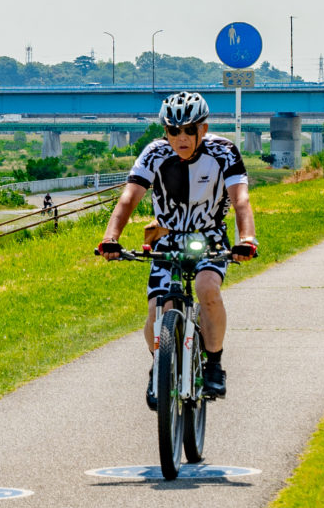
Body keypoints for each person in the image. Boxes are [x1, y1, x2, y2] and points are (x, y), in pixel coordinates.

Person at [98, 91, 258, 407]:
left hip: (209, 236)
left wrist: (247, 239)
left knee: (206, 288)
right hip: (167, 238)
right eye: (174, 130)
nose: (181, 137)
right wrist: (110, 238)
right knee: (158, 308)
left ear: (203, 128)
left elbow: (240, 199)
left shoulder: (224, 151)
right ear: (165, 131)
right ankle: (159, 366)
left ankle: (214, 364)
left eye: (189, 130)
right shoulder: (154, 153)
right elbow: (129, 198)